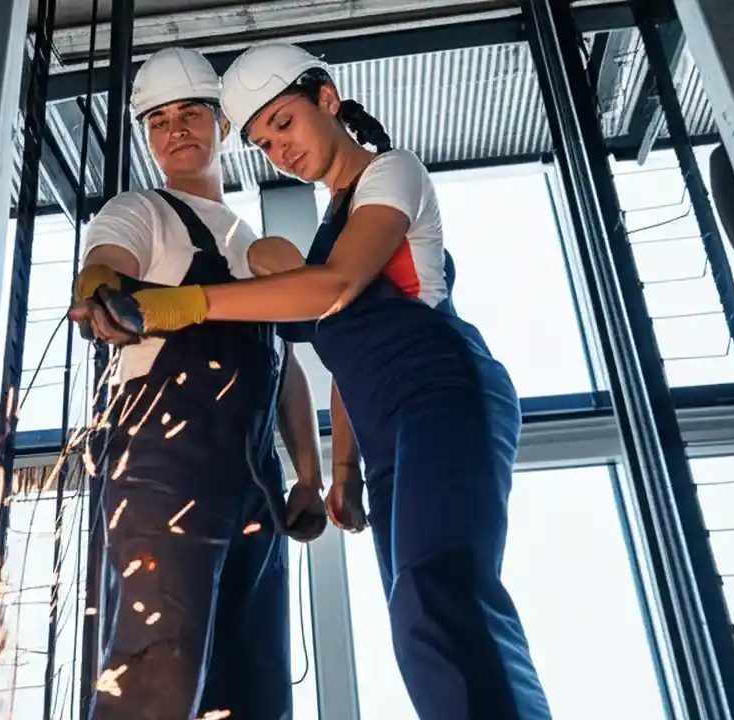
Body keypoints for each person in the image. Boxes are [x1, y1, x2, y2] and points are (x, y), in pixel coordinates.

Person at [98, 43, 553, 720]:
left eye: (284, 123)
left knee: (441, 592)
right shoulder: (323, 238)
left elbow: (334, 291)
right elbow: (344, 360)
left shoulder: (390, 175)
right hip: (388, 430)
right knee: (414, 619)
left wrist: (188, 302)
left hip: (444, 393)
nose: (279, 149)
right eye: (263, 141)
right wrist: (343, 472)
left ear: (327, 102)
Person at [68, 47, 326, 720]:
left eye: (191, 114)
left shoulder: (250, 241)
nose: (176, 129)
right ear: (147, 138)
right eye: (159, 121)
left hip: (255, 481)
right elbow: (104, 267)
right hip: (163, 461)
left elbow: (286, 366)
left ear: (222, 124)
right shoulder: (140, 211)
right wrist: (100, 298)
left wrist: (307, 473)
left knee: (255, 688)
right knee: (160, 663)